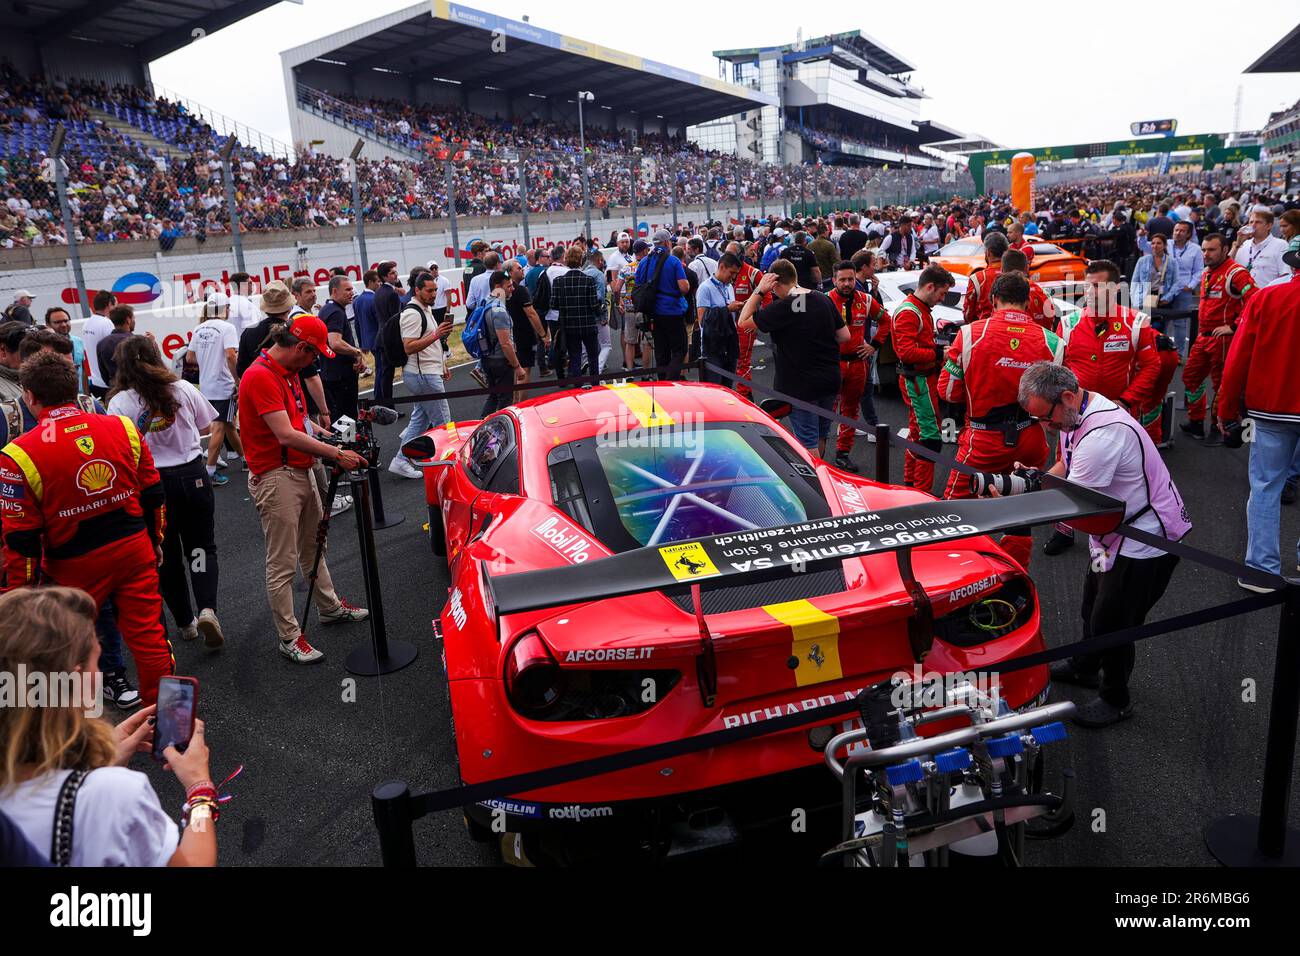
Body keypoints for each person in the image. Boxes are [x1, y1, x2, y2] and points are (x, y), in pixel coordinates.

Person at [1016, 362, 1188, 728]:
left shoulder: (1102, 435)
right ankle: (1085, 665)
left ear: (1065, 397)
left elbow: (1071, 507)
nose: (1045, 428)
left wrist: (1021, 495)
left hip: (1146, 539)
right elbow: (1065, 463)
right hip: (1114, 529)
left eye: (1045, 419)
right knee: (1091, 603)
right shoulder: (1076, 413)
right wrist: (1034, 481)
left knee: (1114, 620)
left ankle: (1117, 697)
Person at [0, 352, 174, 706]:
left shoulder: (17, 454)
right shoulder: (122, 426)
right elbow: (153, 492)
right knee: (149, 637)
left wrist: (20, 596)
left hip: (71, 567)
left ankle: (79, 740)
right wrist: (156, 540)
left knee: (68, 651)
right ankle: (171, 728)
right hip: (133, 549)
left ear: (29, 396)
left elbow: (21, 540)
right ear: (76, 385)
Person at [0, 587, 217, 866]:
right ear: (76, 681)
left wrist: (95, 766)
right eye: (96, 662)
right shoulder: (112, 796)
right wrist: (200, 790)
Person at [237, 315, 369, 663]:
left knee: (314, 545)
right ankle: (289, 636)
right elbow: (285, 433)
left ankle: (328, 607)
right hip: (275, 475)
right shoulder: (260, 376)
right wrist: (337, 453)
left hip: (299, 467)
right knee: (281, 562)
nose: (315, 363)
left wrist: (329, 437)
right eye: (314, 355)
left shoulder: (288, 371)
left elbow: (298, 421)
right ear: (301, 348)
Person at [939, 272, 1065, 571]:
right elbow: (1060, 401)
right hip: (1031, 437)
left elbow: (947, 391)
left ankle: (960, 575)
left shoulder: (969, 333)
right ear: (1028, 301)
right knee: (1020, 510)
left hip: (983, 438)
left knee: (956, 510)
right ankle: (1013, 579)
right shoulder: (1053, 342)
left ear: (993, 299)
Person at [107, 337, 224, 649]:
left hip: (151, 482)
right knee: (201, 547)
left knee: (166, 554)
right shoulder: (182, 388)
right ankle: (207, 609)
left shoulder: (120, 402)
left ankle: (186, 623)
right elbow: (206, 427)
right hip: (192, 474)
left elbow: (119, 447)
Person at [1047, 260, 1161, 555]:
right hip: (1075, 417)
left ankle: (1118, 529)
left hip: (1120, 416)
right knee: (1069, 472)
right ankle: (1064, 528)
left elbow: (1152, 367)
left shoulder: (1136, 322)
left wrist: (1127, 400)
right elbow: (1057, 370)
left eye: (1097, 286)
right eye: (1087, 286)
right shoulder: (1069, 323)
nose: (1091, 292)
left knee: (1123, 475)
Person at [1218, 255, 1300, 591]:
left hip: (1272, 407)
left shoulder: (1268, 296)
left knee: (1266, 486)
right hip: (1273, 408)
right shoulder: (1266, 295)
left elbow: (1237, 358)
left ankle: (1262, 569)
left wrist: (1225, 409)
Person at [737, 259, 849, 458]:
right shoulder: (822, 298)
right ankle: (822, 478)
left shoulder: (787, 305)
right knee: (821, 435)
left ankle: (813, 486)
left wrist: (760, 291)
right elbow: (844, 336)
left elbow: (743, 321)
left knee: (807, 442)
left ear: (775, 283)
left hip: (801, 385)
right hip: (830, 379)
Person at [1181, 233, 1257, 445]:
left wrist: (1233, 327)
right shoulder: (1207, 272)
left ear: (1225, 250)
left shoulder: (1236, 273)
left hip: (1222, 340)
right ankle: (1196, 421)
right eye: (1204, 250)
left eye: (1211, 250)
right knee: (1190, 377)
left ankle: (1219, 427)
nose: (1206, 254)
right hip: (1202, 337)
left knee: (1221, 385)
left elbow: (1255, 300)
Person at [890, 264, 955, 491]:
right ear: (929, 287)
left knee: (918, 434)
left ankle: (910, 485)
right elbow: (906, 353)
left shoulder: (919, 309)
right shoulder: (910, 311)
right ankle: (922, 492)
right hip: (916, 380)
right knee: (930, 439)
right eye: (942, 293)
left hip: (922, 378)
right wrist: (940, 353)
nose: (942, 298)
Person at [389, 273, 454, 479]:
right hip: (422, 376)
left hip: (426, 373)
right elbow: (409, 347)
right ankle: (452, 462)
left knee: (419, 421)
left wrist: (441, 364)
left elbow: (430, 344)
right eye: (429, 290)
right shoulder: (412, 313)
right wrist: (436, 334)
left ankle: (400, 459)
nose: (434, 294)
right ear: (417, 290)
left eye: (435, 290)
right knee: (444, 422)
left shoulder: (425, 309)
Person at [827, 260, 889, 473]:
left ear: (856, 279)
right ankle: (818, 454)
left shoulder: (867, 300)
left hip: (857, 364)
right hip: (832, 364)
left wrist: (874, 346)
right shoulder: (825, 300)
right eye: (842, 279)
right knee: (825, 409)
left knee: (851, 410)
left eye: (850, 279)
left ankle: (842, 455)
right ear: (834, 280)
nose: (846, 283)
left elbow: (886, 322)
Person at [188, 293, 243, 485]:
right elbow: (230, 355)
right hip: (223, 384)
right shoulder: (227, 328)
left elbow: (190, 358)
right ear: (224, 307)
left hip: (207, 385)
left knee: (228, 425)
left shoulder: (199, 328)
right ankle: (209, 472)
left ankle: (246, 459)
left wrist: (208, 360)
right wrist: (238, 381)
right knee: (220, 426)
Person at [634, 230, 691, 381]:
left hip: (652, 312)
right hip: (672, 311)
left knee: (661, 351)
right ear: (666, 243)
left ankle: (662, 384)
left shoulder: (644, 262)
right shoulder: (673, 261)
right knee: (679, 349)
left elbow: (638, 286)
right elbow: (684, 287)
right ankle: (671, 381)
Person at [478, 271, 528, 416]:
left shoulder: (485, 301)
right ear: (498, 287)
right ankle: (498, 435)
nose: (512, 289)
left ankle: (482, 428)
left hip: (488, 358)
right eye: (509, 286)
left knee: (493, 397)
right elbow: (505, 343)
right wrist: (517, 367)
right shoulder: (499, 310)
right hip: (500, 362)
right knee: (505, 402)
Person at [551, 245, 605, 380]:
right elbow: (594, 305)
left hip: (569, 326)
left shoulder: (559, 281)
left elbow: (554, 305)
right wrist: (601, 311)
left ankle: (578, 387)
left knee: (575, 357)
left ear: (566, 260)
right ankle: (595, 385)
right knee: (593, 357)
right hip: (588, 324)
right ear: (581, 260)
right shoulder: (588, 280)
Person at [318, 275, 366, 422]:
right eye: (347, 289)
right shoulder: (336, 312)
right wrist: (357, 352)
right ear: (335, 291)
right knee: (347, 418)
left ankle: (343, 443)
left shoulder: (328, 308)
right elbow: (335, 343)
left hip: (332, 374)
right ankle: (348, 444)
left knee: (339, 417)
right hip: (341, 377)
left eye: (352, 289)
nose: (352, 292)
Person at [725, 241, 766, 400]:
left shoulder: (753, 273)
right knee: (730, 360)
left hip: (745, 324)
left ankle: (743, 394)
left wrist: (758, 321)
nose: (727, 257)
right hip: (726, 322)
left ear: (740, 255)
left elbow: (766, 297)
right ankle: (741, 391)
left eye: (731, 254)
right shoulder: (722, 271)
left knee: (742, 360)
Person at [505, 260, 548, 403]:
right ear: (510, 273)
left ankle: (513, 404)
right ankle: (520, 406)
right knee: (524, 372)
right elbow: (531, 313)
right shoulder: (520, 290)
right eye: (518, 268)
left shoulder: (500, 292)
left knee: (515, 374)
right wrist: (543, 335)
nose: (522, 269)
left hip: (508, 336)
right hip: (523, 336)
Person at [696, 252, 739, 386]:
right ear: (721, 267)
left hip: (729, 344)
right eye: (731, 273)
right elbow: (702, 319)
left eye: (735, 274)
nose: (733, 277)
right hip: (712, 347)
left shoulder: (729, 287)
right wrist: (727, 309)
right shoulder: (705, 288)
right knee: (714, 390)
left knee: (728, 390)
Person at [613, 240, 652, 373]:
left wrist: (619, 302)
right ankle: (646, 373)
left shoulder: (626, 268)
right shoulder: (649, 267)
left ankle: (629, 370)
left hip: (630, 308)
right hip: (646, 308)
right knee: (647, 342)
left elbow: (617, 289)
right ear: (644, 251)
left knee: (630, 341)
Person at [1230, 208, 1288, 289]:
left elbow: (1285, 276)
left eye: (1258, 222)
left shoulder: (1280, 244)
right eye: (1251, 222)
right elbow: (1226, 267)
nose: (1253, 225)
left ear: (1269, 226)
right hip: (1242, 297)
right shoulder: (1244, 244)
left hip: (1265, 297)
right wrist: (1237, 245)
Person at [371, 261, 402, 407]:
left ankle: (386, 405)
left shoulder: (378, 292)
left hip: (381, 336)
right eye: (392, 273)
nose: (396, 275)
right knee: (387, 374)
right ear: (384, 276)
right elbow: (395, 319)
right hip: (389, 338)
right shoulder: (391, 294)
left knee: (384, 373)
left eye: (395, 272)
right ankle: (389, 407)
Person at [962, 232, 1009, 325]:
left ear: (988, 252)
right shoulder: (1016, 276)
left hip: (983, 329)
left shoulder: (978, 278)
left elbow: (968, 313)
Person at [42, 307, 88, 393]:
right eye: (58, 322)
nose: (63, 324)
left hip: (79, 395)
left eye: (66, 321)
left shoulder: (78, 341)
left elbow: (83, 370)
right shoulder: (45, 347)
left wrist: (86, 395)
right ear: (48, 325)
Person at [94, 304, 137, 387]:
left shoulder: (101, 344)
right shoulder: (137, 341)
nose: (134, 321)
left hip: (115, 390)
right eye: (133, 318)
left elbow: (104, 374)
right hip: (137, 390)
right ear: (128, 320)